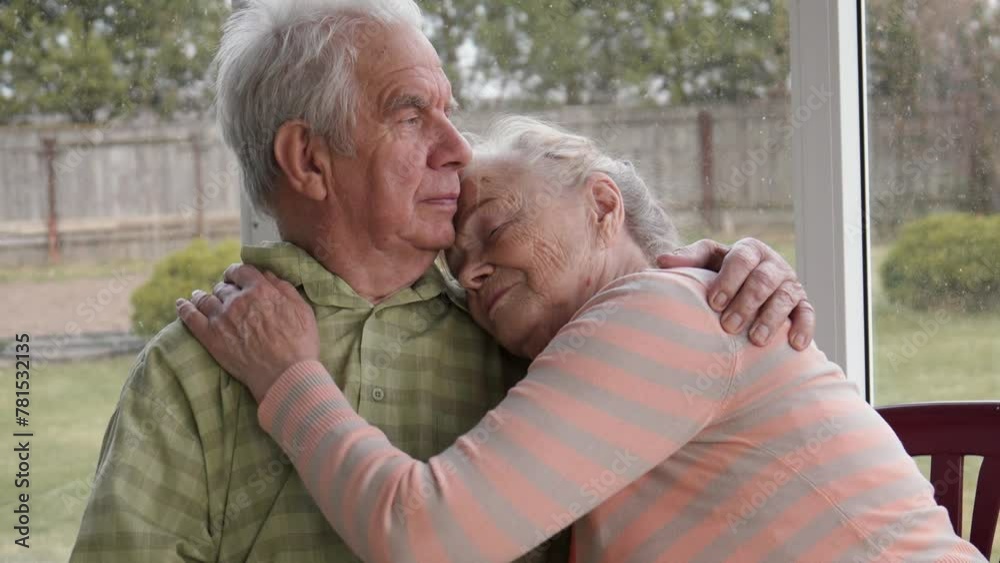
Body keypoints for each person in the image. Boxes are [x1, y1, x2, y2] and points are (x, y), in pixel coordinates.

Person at [70, 2, 815, 561]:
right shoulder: (194, 371)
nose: (457, 148)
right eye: (411, 113)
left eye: (448, 112)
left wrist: (713, 269)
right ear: (307, 160)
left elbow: (636, 298)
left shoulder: (528, 327)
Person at [178, 116, 986, 563]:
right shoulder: (652, 332)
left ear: (603, 204)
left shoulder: (661, 312)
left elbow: (424, 534)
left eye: (494, 227)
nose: (475, 270)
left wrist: (286, 373)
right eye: (458, 265)